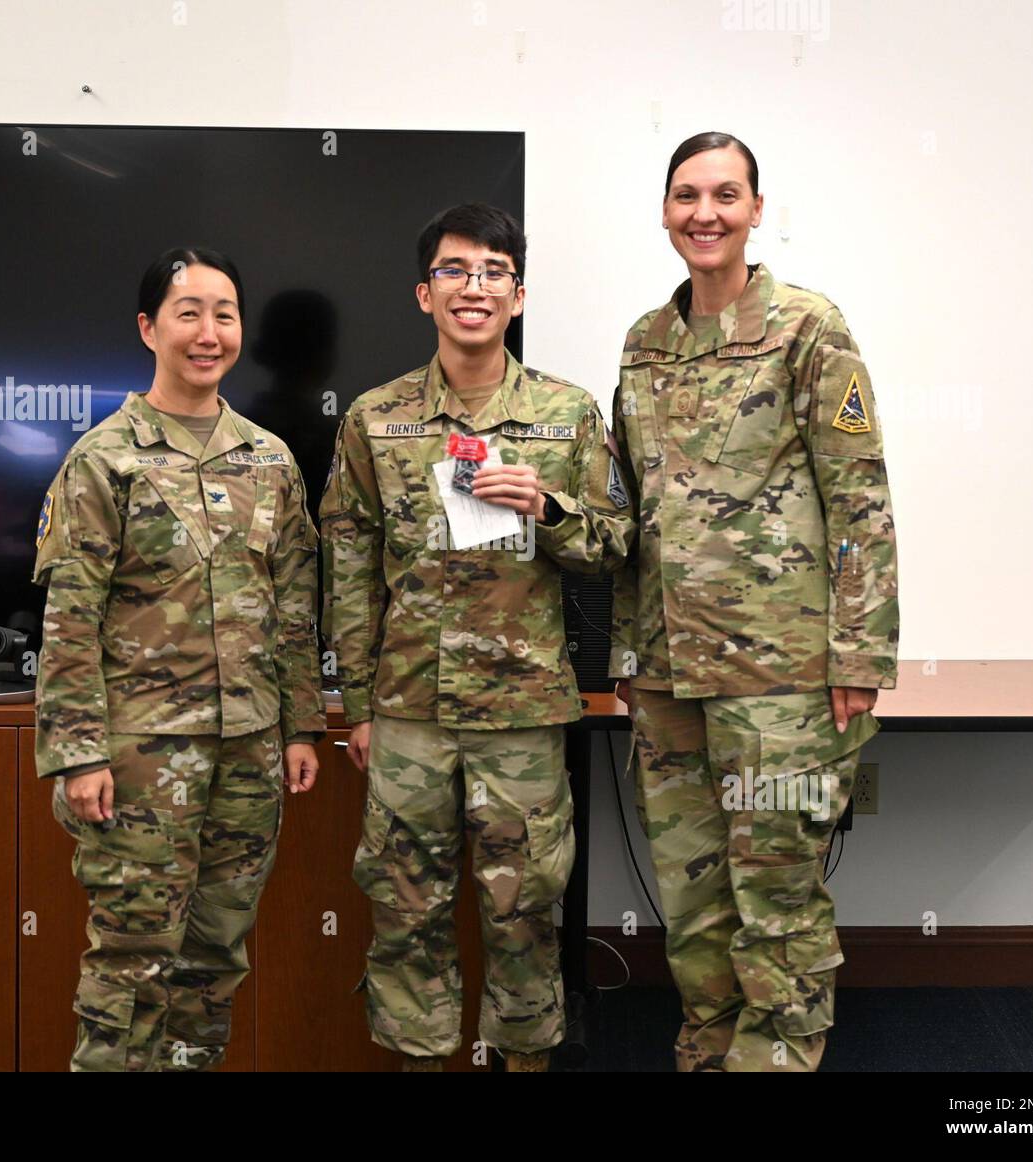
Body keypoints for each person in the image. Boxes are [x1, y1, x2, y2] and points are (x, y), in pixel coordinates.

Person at [320, 203, 635, 1072]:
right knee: (406, 908)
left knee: (526, 912)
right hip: (407, 715)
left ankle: (523, 1062)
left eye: (495, 271)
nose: (475, 286)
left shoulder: (566, 416)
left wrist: (553, 508)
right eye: (456, 270)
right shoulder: (373, 419)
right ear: (425, 294)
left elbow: (617, 544)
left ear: (519, 295)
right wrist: (354, 703)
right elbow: (346, 558)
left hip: (523, 717)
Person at [610, 133, 899, 1072]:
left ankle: (778, 1058)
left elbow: (860, 498)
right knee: (692, 901)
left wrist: (859, 655)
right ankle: (709, 1051)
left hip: (780, 680)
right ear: (664, 212)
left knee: (775, 893)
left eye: (726, 195)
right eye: (687, 195)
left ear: (756, 210)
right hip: (665, 675)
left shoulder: (811, 328)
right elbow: (633, 508)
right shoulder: (643, 343)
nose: (706, 213)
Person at [32, 247, 324, 1072]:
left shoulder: (269, 459)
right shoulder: (105, 458)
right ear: (148, 328)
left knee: (214, 963)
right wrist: (79, 752)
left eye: (224, 313)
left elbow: (295, 609)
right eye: (188, 312)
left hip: (250, 753)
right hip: (139, 757)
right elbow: (70, 620)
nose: (208, 332)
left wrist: (301, 728)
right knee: (133, 963)